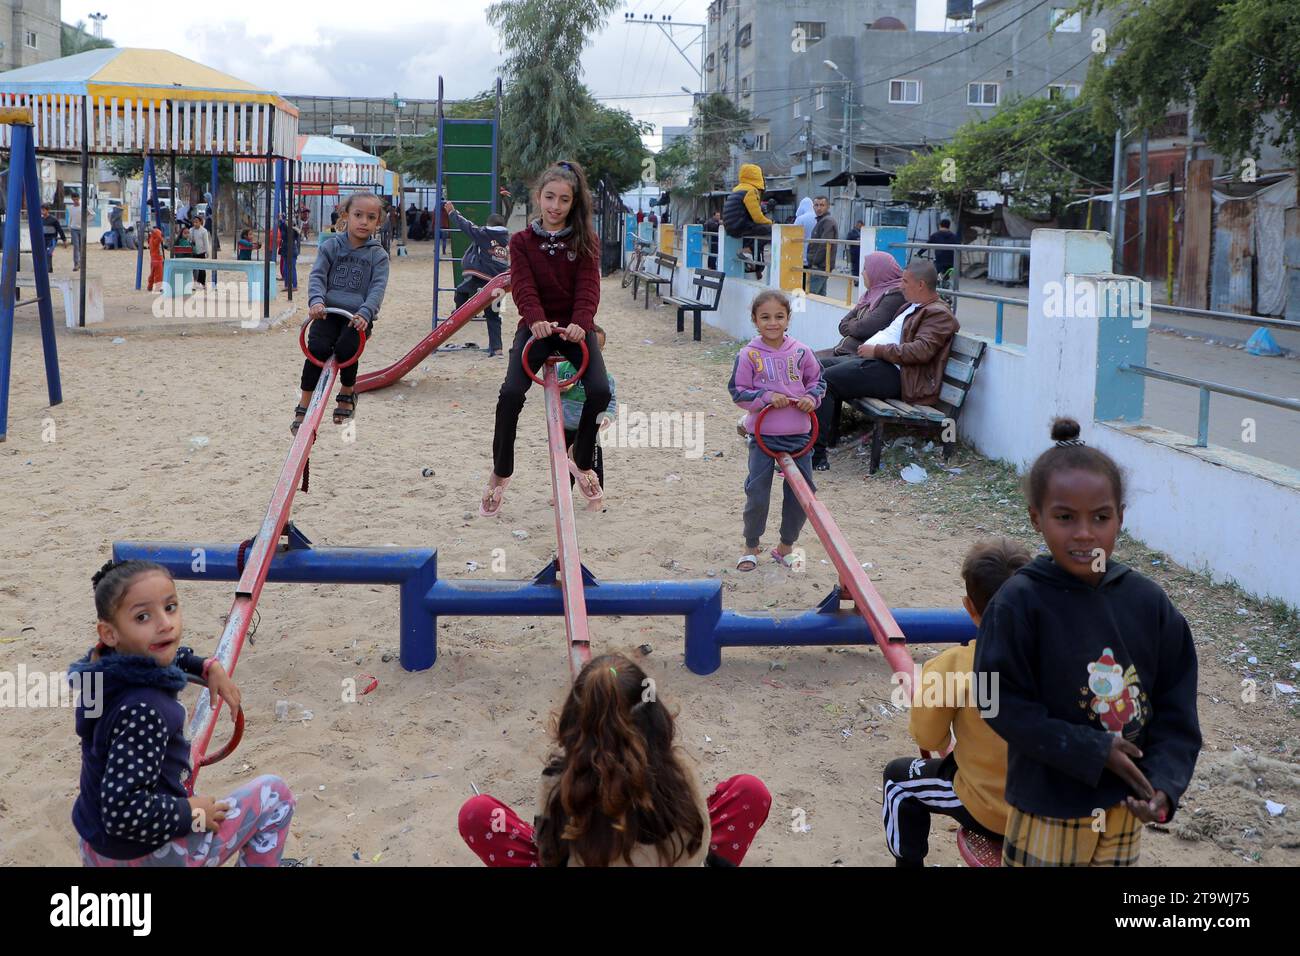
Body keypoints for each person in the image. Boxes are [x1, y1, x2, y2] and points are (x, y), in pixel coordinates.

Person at [974, 418, 1202, 867]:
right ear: (1036, 518)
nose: (1084, 533)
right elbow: (994, 701)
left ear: (1121, 516)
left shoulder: (1149, 604)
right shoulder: (1018, 603)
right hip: (1049, 806)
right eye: (1064, 517)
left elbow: (1178, 710)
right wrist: (1092, 750)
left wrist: (1162, 786)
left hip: (1124, 809)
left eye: (1101, 516)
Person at [71, 559, 296, 867]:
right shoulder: (143, 711)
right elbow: (122, 812)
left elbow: (158, 655)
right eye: (143, 616)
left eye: (171, 607)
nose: (165, 623)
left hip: (97, 848)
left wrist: (205, 665)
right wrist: (190, 813)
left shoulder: (101, 675)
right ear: (109, 633)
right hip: (147, 855)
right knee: (275, 796)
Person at [457, 653, 771, 866]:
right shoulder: (677, 775)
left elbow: (550, 856)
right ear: (657, 719)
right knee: (749, 791)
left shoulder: (557, 780)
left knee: (478, 814)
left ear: (570, 721)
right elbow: (698, 849)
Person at [882, 537, 1032, 867]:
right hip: (1057, 812)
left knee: (898, 780)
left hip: (991, 811)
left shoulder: (952, 666)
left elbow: (929, 738)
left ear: (968, 607)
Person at [480, 159, 611, 517]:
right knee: (509, 395)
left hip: (574, 328)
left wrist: (581, 322)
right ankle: (501, 471)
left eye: (564, 200)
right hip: (536, 327)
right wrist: (536, 319)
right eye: (549, 197)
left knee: (600, 391)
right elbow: (523, 285)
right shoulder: (521, 241)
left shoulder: (586, 240)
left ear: (574, 203)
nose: (555, 206)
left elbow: (588, 286)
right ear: (538, 197)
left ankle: (581, 460)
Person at [812, 259, 957, 471]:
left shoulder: (939, 314)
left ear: (921, 285)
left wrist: (877, 350)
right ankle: (808, 439)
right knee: (815, 369)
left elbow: (921, 351)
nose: (900, 285)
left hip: (899, 375)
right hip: (877, 362)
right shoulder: (913, 306)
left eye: (905, 281)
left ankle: (816, 456)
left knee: (826, 381)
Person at [728, 289, 825, 571]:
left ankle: (786, 545)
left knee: (802, 492)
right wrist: (767, 397)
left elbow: (818, 381)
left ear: (788, 318)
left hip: (799, 437)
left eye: (779, 316)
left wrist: (810, 398)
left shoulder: (801, 351)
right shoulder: (748, 355)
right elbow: (738, 392)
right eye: (765, 317)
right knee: (757, 490)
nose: (773, 322)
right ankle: (751, 545)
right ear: (755, 320)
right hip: (762, 435)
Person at [293, 191, 390, 434]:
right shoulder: (330, 247)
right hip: (328, 312)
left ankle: (347, 391)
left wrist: (366, 313)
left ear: (378, 222)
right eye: (358, 215)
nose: (363, 222)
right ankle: (304, 403)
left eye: (371, 217)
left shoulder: (378, 255)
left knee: (348, 347)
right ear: (346, 215)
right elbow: (318, 276)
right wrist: (316, 301)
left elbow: (377, 288)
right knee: (317, 348)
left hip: (357, 316)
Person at [444, 201, 510, 356]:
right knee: (494, 316)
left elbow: (467, 226)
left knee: (461, 291)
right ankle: (497, 348)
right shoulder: (507, 239)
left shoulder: (484, 234)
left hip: (482, 278)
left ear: (488, 225)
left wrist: (452, 212)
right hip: (500, 283)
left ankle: (462, 311)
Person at [556, 324, 616, 491]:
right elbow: (550, 389)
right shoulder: (562, 368)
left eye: (598, 348)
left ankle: (596, 495)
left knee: (594, 465)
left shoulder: (603, 377)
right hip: (565, 426)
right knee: (563, 465)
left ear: (602, 350)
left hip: (590, 429)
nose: (592, 350)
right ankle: (564, 494)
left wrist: (608, 416)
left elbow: (610, 399)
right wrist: (557, 388)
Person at [816, 251, 906, 361]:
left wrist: (854, 325)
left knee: (809, 366)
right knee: (804, 360)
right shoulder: (869, 296)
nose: (862, 273)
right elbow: (842, 324)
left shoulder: (895, 296)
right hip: (843, 351)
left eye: (865, 269)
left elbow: (863, 329)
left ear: (877, 272)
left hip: (859, 358)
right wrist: (856, 326)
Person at [721, 163, 774, 280]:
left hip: (731, 228)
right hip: (740, 225)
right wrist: (771, 223)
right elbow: (757, 217)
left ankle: (751, 262)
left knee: (756, 234)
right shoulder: (751, 191)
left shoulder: (737, 190)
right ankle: (748, 251)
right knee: (769, 230)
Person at [806, 195, 838, 297]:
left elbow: (824, 245)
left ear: (828, 206)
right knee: (820, 298)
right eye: (816, 205)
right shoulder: (821, 221)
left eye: (822, 205)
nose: (819, 208)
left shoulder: (827, 221)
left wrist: (814, 262)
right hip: (821, 266)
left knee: (811, 296)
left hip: (820, 266)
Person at [40, 205, 66, 273]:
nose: (42, 211)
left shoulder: (53, 220)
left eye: (44, 210)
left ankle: (49, 269)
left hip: (52, 239)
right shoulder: (40, 219)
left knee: (49, 253)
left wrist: (64, 239)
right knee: (43, 254)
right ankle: (46, 268)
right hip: (43, 239)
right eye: (41, 210)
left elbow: (59, 229)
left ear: (47, 210)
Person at [277, 216, 300, 292]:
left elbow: (283, 228)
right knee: (286, 268)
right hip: (287, 251)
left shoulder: (291, 231)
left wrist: (281, 220)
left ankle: (293, 285)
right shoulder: (291, 230)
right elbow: (282, 227)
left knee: (290, 268)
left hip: (290, 251)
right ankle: (288, 285)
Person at [189, 214, 211, 289]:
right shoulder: (191, 230)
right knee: (195, 269)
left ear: (200, 222)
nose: (195, 223)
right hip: (193, 252)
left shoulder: (204, 231)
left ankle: (203, 283)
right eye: (194, 222)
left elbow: (206, 242)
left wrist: (207, 252)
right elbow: (189, 240)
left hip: (201, 252)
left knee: (202, 268)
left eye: (197, 222)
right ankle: (195, 283)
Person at [67, 194, 83, 271]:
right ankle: (76, 264)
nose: (75, 201)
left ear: (79, 198)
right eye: (74, 200)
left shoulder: (83, 207)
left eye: (76, 199)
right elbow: (70, 217)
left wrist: (86, 222)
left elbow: (92, 215)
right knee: (76, 246)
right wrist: (69, 226)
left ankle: (81, 262)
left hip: (82, 229)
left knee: (81, 246)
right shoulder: (71, 208)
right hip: (74, 229)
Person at [147, 223, 165, 292]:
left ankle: (150, 286)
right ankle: (158, 287)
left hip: (153, 260)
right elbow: (160, 238)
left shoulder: (151, 240)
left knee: (152, 274)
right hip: (158, 260)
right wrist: (155, 232)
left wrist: (153, 232)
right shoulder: (155, 241)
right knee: (159, 275)